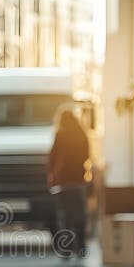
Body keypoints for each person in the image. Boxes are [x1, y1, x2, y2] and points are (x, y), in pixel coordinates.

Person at [47, 109, 91, 257]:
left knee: (64, 214)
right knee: (80, 214)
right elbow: (87, 155)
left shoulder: (60, 134)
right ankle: (81, 246)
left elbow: (52, 157)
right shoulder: (82, 134)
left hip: (63, 182)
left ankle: (66, 248)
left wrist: (52, 175)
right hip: (78, 180)